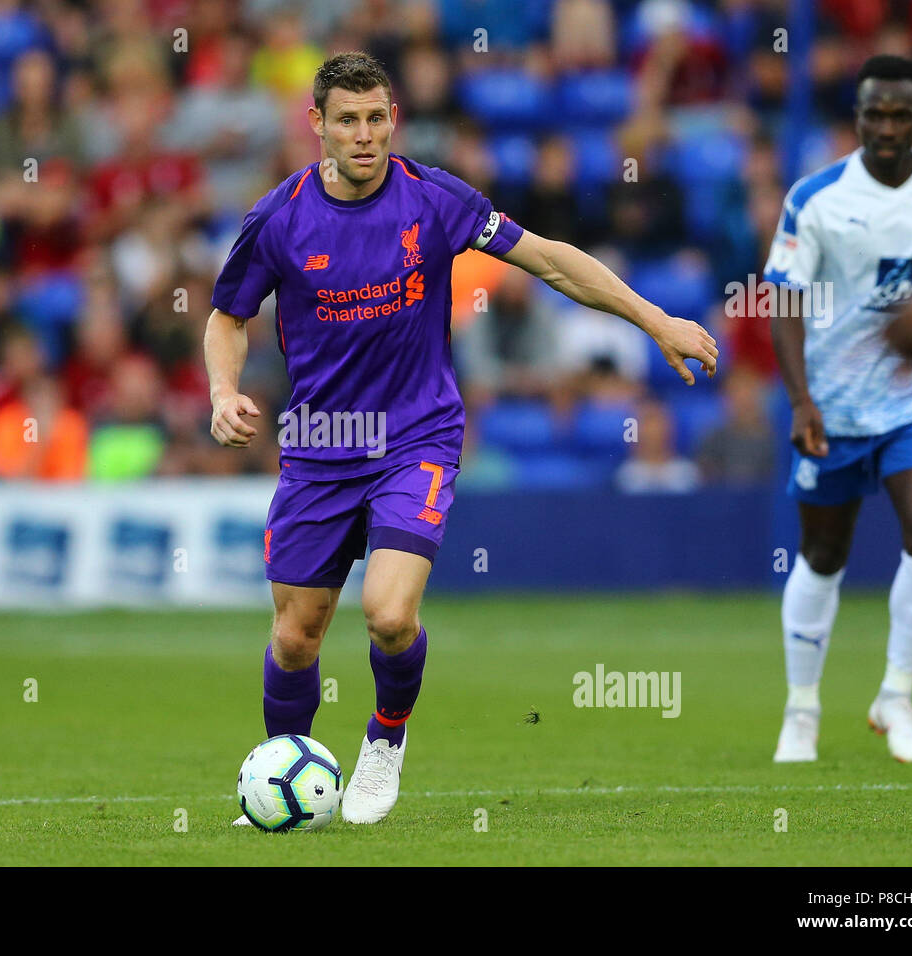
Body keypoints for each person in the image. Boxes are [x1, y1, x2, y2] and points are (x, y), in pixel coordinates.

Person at [203, 52, 717, 826]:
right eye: (348, 120)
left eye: (377, 118)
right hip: (318, 446)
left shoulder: (433, 199)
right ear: (318, 125)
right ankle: (285, 769)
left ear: (392, 120)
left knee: (387, 613)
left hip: (417, 437)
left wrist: (656, 319)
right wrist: (222, 390)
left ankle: (386, 740)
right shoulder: (278, 219)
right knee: (296, 632)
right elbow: (227, 317)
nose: (365, 134)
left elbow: (549, 261)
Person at [766, 55, 912, 764]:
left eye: (900, 115)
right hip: (834, 401)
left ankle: (896, 695)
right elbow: (785, 302)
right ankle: (802, 708)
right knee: (824, 552)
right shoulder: (817, 198)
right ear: (855, 118)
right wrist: (800, 399)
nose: (886, 127)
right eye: (873, 114)